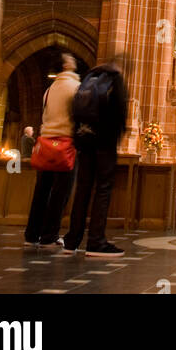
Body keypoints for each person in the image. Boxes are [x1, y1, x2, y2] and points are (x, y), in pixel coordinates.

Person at [63, 53, 129, 258]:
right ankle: (96, 241)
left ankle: (72, 240)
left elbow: (73, 110)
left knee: (82, 188)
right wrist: (117, 135)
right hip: (104, 144)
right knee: (103, 189)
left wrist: (80, 136)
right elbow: (120, 113)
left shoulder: (88, 77)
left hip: (85, 141)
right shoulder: (115, 79)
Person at [23, 53, 80, 249]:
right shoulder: (74, 87)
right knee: (60, 192)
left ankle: (32, 233)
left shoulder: (49, 89)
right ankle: (49, 235)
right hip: (64, 144)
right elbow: (78, 115)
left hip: (46, 144)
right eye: (69, 59)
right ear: (65, 65)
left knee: (41, 190)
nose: (73, 60)